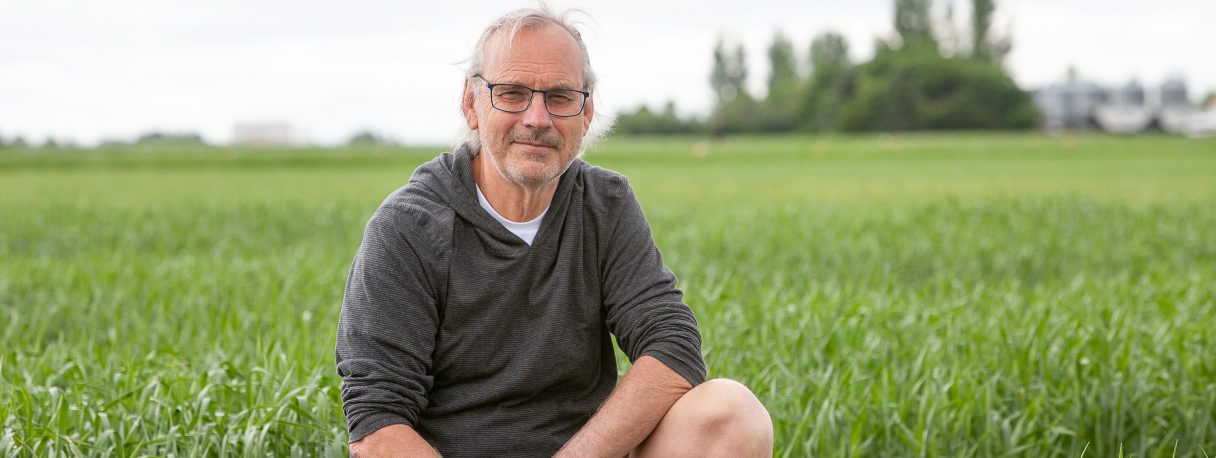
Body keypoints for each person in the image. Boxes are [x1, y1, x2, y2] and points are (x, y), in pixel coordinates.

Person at [335, 5, 773, 457]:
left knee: (731, 414)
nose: (537, 119)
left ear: (586, 115)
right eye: (512, 93)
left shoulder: (605, 205)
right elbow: (376, 424)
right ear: (471, 102)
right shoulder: (409, 226)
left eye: (560, 97)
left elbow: (672, 345)